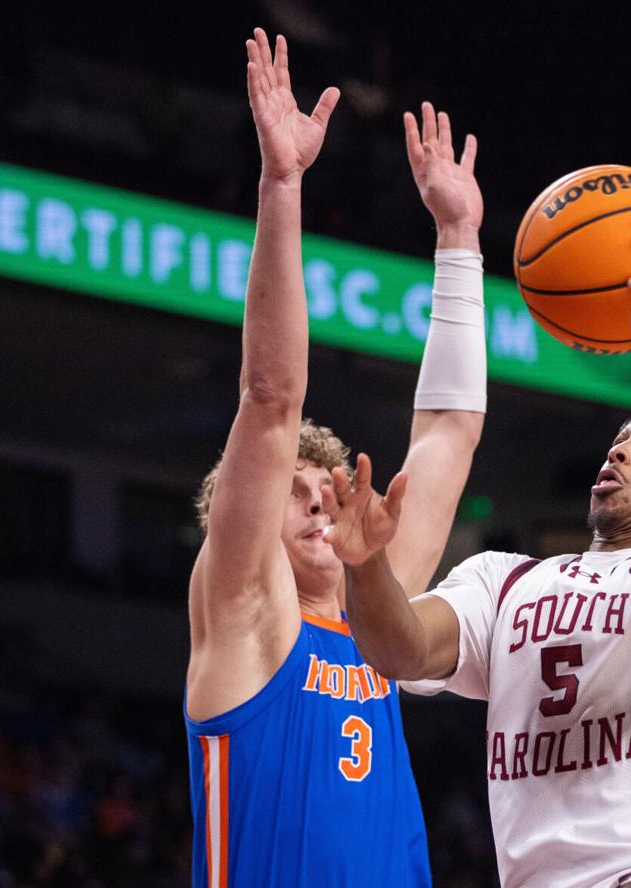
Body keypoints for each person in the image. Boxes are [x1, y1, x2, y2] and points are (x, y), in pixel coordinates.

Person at [323, 202, 631, 888]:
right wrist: (363, 569)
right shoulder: (499, 582)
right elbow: (399, 652)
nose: (622, 449)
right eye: (619, 438)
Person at [184, 29, 486, 887]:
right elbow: (271, 400)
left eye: (328, 492)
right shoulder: (246, 612)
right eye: (299, 494)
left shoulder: (374, 619)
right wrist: (282, 185)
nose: (322, 506)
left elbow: (448, 433)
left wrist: (458, 238)